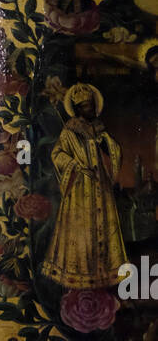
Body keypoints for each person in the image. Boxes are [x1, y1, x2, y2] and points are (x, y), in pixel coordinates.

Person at [41, 83, 125, 289]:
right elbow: (57, 154)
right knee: (81, 229)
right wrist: (74, 164)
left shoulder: (99, 129)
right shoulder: (69, 131)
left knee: (104, 224)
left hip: (100, 185)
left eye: (92, 105)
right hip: (79, 187)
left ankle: (105, 273)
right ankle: (78, 275)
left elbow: (114, 150)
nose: (91, 110)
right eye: (86, 106)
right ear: (78, 109)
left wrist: (105, 143)